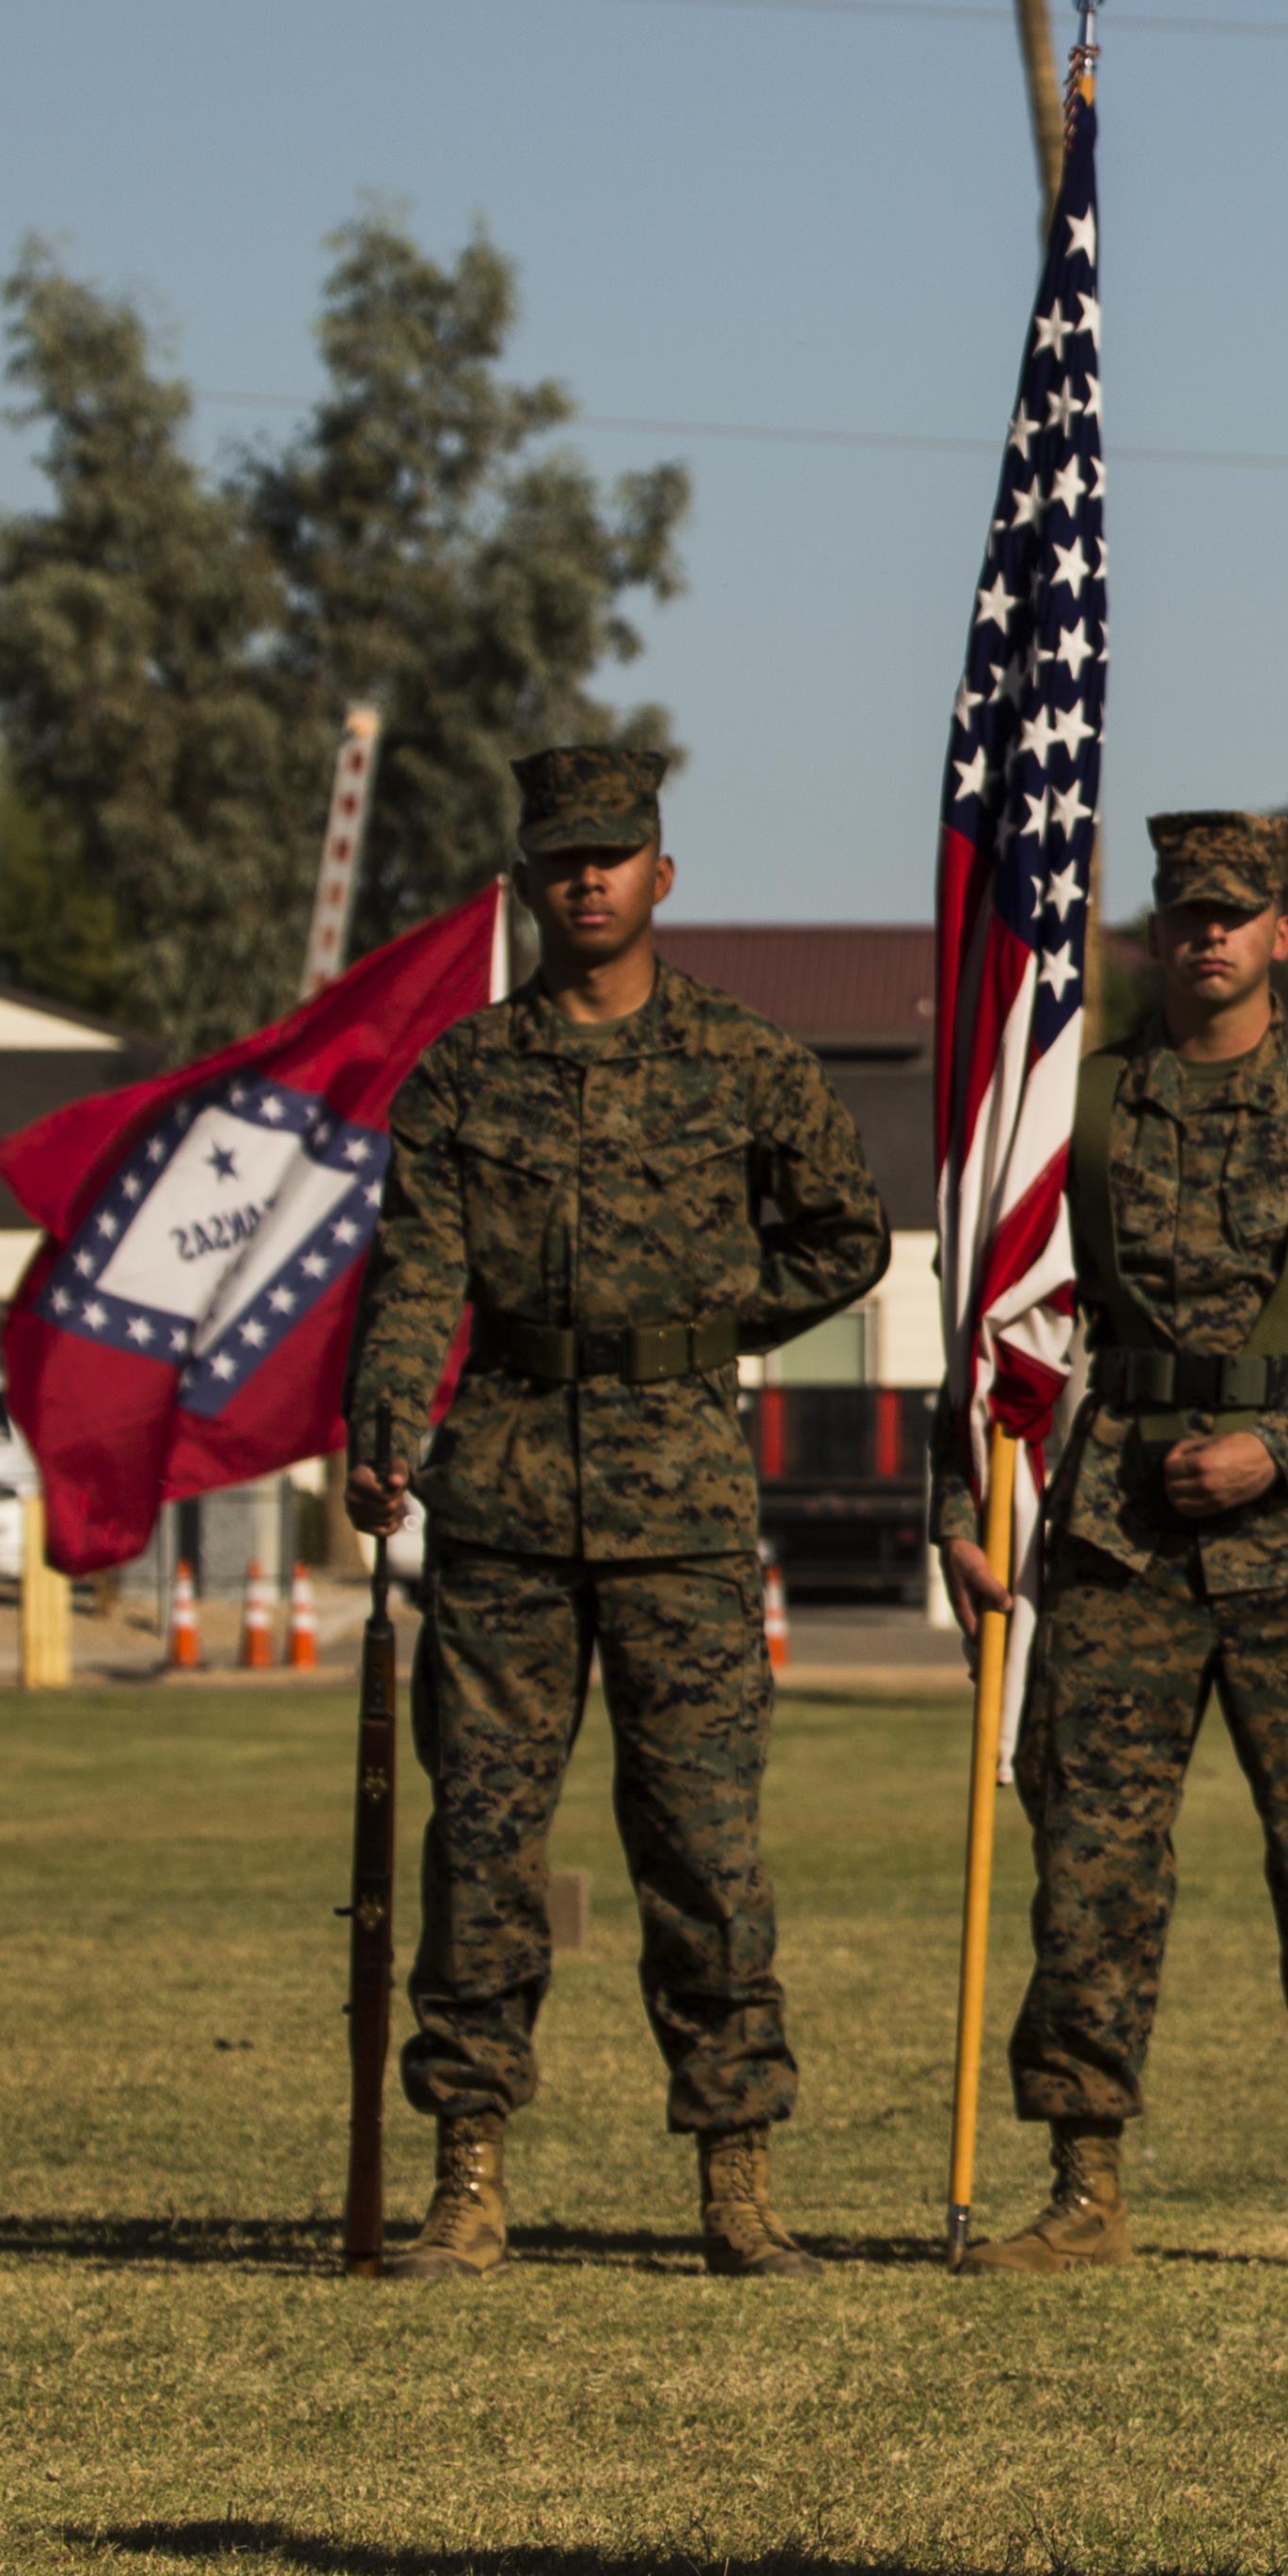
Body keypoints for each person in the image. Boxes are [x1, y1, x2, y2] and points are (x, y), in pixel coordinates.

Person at [344, 745, 891, 2281]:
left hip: (681, 1500)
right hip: (506, 1488)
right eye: (559, 858)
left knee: (706, 1848)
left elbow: (847, 1235)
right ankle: (467, 2172)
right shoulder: (466, 1074)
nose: (586, 878)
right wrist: (384, 1427)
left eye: (612, 854)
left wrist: (719, 1317)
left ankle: (737, 2175)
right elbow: (418, 1276)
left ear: (662, 873)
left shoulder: (747, 1060)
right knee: (483, 1847)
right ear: (527, 881)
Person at [934, 810, 1288, 2277]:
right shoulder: (1073, 1119)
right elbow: (998, 1326)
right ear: (1153, 934)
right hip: (1118, 1538)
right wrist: (957, 1508)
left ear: (1281, 933)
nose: (1209, 935)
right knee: (1092, 1869)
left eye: (1236, 913)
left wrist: (1279, 1447)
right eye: (1185, 914)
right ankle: (1083, 2182)